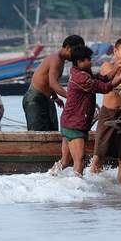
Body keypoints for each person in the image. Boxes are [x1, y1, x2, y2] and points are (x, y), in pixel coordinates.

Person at [59, 45, 121, 175]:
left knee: (65, 162)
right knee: (80, 161)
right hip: (74, 125)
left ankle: (49, 178)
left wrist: (116, 67)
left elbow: (103, 79)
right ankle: (78, 191)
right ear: (79, 62)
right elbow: (105, 88)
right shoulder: (81, 78)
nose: (91, 61)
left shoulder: (82, 73)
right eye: (88, 59)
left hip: (70, 121)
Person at [26, 35, 82, 169]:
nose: (76, 55)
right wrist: (71, 97)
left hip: (47, 98)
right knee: (38, 135)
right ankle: (34, 166)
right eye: (75, 51)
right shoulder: (55, 60)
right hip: (34, 99)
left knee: (52, 132)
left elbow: (48, 82)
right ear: (67, 48)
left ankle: (53, 167)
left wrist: (55, 97)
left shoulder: (60, 61)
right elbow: (53, 82)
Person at [90, 38, 121, 184]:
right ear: (115, 51)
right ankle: (92, 188)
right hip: (108, 113)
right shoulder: (107, 66)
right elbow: (111, 82)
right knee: (99, 155)